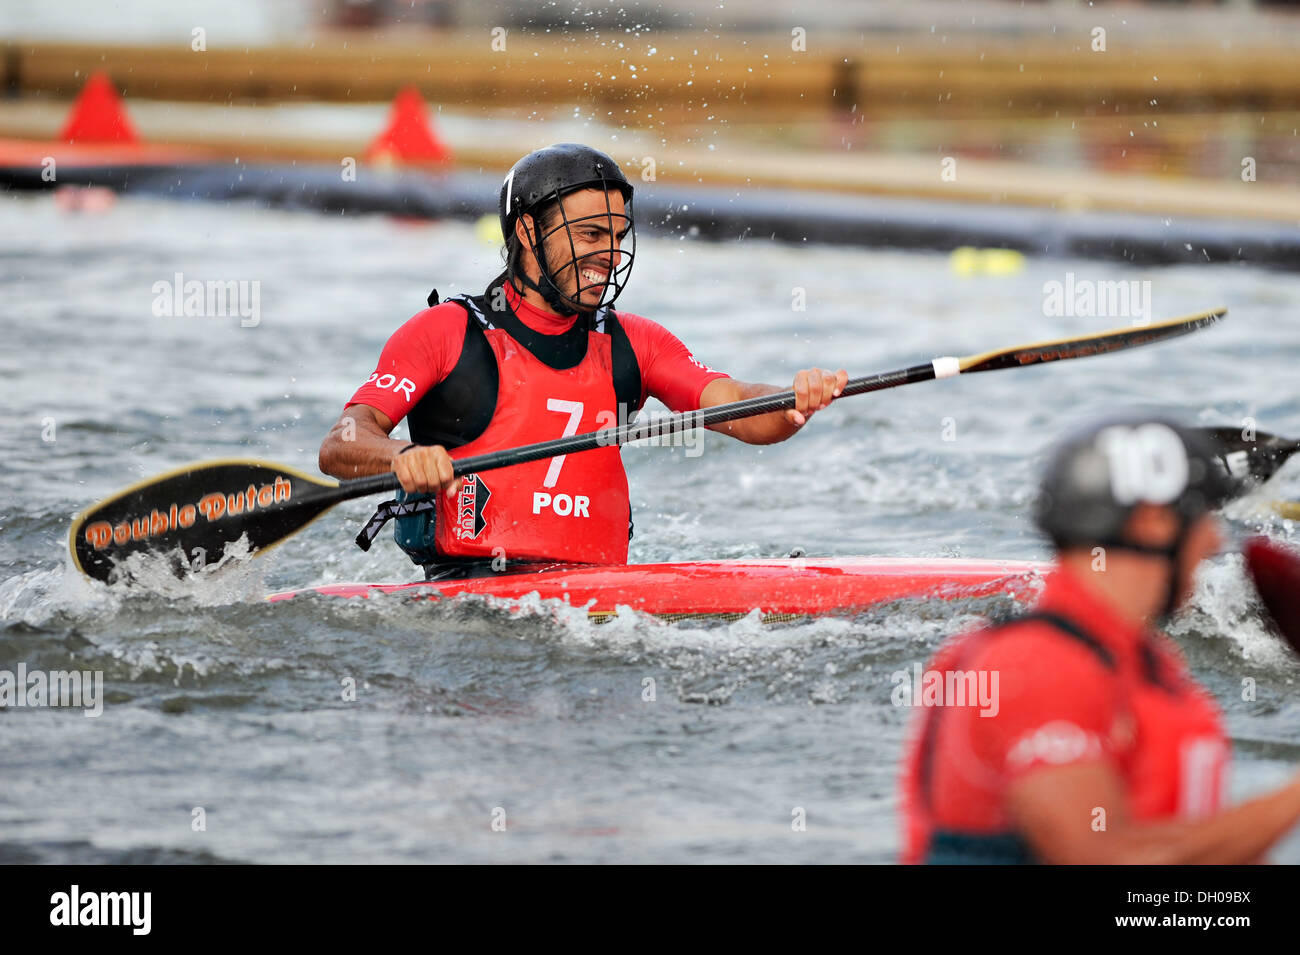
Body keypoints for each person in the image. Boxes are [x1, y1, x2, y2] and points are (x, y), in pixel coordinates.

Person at [319, 143, 847, 578]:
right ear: (528, 232)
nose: (610, 255)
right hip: (467, 597)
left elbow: (738, 406)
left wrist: (791, 402)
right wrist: (402, 455)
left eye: (617, 237)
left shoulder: (635, 341)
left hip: (598, 599)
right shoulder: (445, 331)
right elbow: (341, 442)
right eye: (591, 235)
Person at [900, 416, 1300, 864]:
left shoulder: (1147, 660)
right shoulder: (1033, 665)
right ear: (1152, 523)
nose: (1214, 541)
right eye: (1204, 518)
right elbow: (1101, 856)